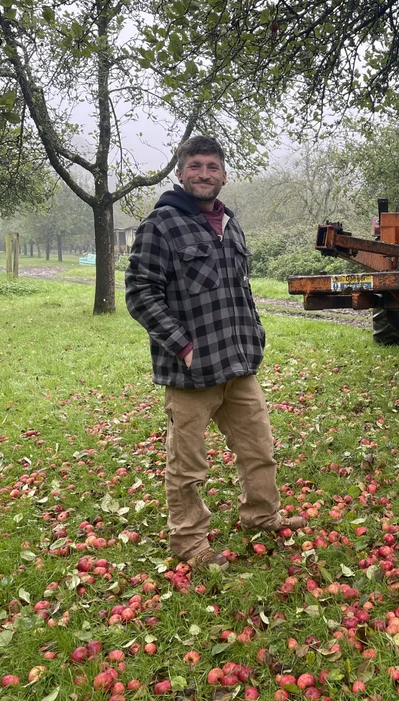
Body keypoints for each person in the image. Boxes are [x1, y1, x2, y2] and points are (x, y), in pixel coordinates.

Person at [125, 134, 304, 572]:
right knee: (188, 466)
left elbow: (240, 288)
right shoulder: (161, 225)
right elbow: (140, 292)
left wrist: (256, 332)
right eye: (196, 166)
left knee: (259, 449)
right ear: (181, 172)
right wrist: (182, 345)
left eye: (212, 167)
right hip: (190, 373)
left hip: (239, 363)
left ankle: (261, 517)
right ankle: (188, 541)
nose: (204, 174)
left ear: (223, 174)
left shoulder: (232, 223)